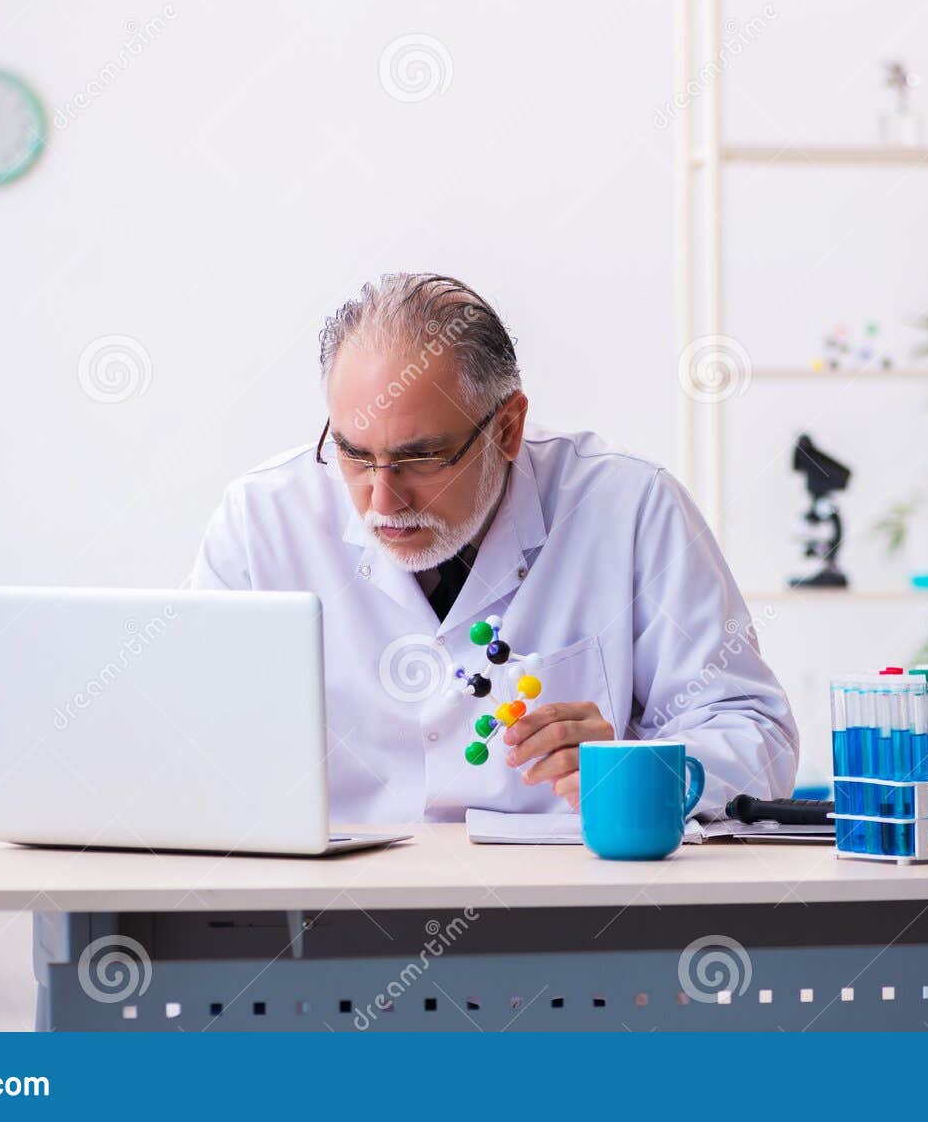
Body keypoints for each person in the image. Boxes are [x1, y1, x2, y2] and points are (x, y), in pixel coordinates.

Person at [189, 273, 798, 821]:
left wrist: (641, 769)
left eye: (420, 457)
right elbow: (189, 734)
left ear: (507, 428)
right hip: (323, 902)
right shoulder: (261, 521)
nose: (381, 500)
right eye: (353, 453)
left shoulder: (630, 506)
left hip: (564, 901)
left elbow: (754, 731)